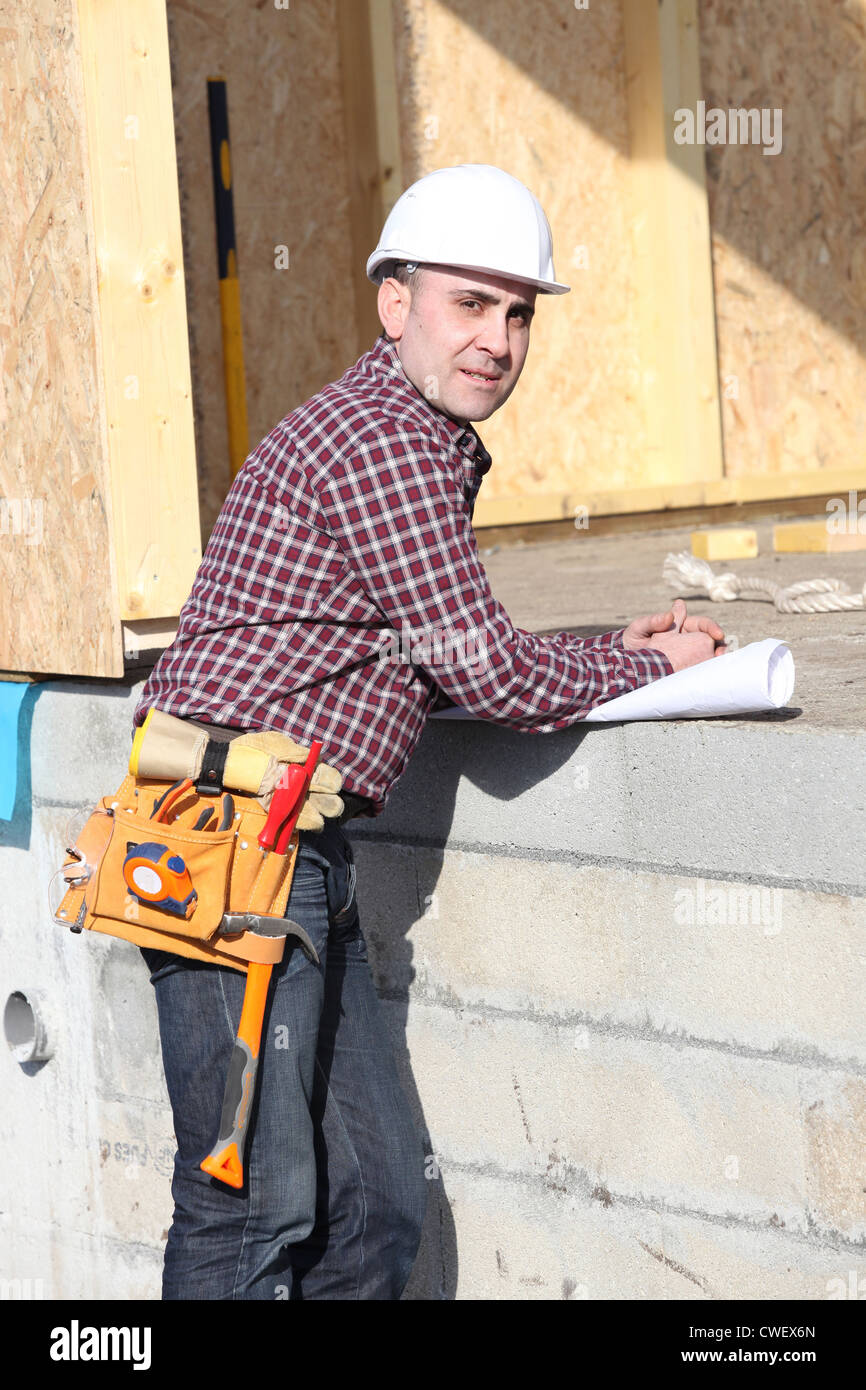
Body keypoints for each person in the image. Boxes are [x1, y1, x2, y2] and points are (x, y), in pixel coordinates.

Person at [132, 163, 725, 1301]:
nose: (498, 340)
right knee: (248, 1204)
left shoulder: (405, 430)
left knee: (373, 1205)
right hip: (229, 847)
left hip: (299, 849)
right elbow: (488, 670)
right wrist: (642, 662)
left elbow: (414, 647)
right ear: (392, 302)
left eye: (518, 313)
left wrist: (612, 643)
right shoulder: (386, 442)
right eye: (471, 303)